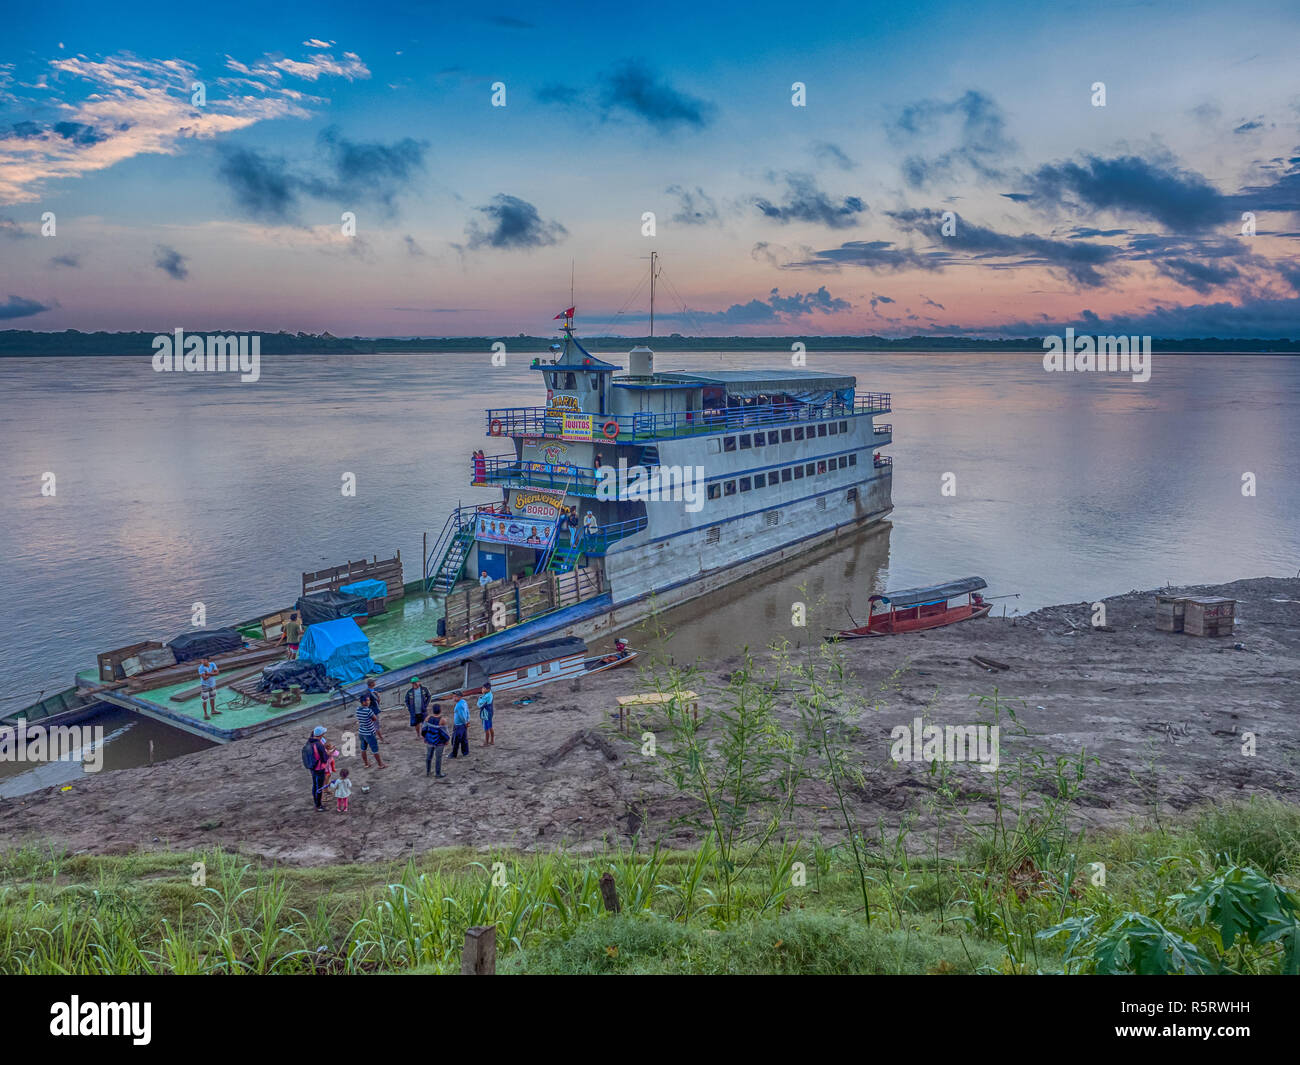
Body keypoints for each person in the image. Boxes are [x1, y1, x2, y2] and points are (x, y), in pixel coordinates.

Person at [356, 691, 386, 769]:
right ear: (364, 702)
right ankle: (380, 764)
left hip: (361, 732)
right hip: (369, 733)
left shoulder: (358, 709)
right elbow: (374, 718)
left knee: (363, 749)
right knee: (375, 750)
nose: (369, 702)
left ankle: (366, 764)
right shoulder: (368, 710)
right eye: (368, 700)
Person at [304, 726, 329, 812]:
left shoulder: (309, 742)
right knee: (319, 787)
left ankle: (316, 801)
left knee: (315, 785)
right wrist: (329, 753)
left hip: (312, 767)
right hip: (319, 768)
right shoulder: (319, 745)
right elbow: (324, 758)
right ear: (321, 734)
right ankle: (318, 806)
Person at [421, 705, 449, 777]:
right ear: (440, 710)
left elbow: (424, 729)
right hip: (439, 742)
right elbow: (445, 732)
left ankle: (428, 772)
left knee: (429, 756)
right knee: (438, 758)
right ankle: (438, 773)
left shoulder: (428, 718)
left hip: (430, 740)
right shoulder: (442, 720)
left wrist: (425, 737)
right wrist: (447, 740)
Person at [449, 692, 470, 758]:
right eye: (453, 696)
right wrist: (467, 721)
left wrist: (465, 722)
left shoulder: (459, 705)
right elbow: (467, 712)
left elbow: (462, 716)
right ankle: (465, 752)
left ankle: (454, 754)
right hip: (463, 724)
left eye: (455, 696)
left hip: (459, 725)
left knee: (456, 740)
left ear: (460, 697)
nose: (453, 698)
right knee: (464, 739)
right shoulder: (464, 702)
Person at [477, 682, 495, 746]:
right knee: (490, 726)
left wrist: (480, 698)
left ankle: (486, 743)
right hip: (490, 712)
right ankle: (492, 741)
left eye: (484, 688)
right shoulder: (490, 694)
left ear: (488, 689)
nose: (482, 689)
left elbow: (479, 705)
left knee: (486, 728)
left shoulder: (486, 696)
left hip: (485, 714)